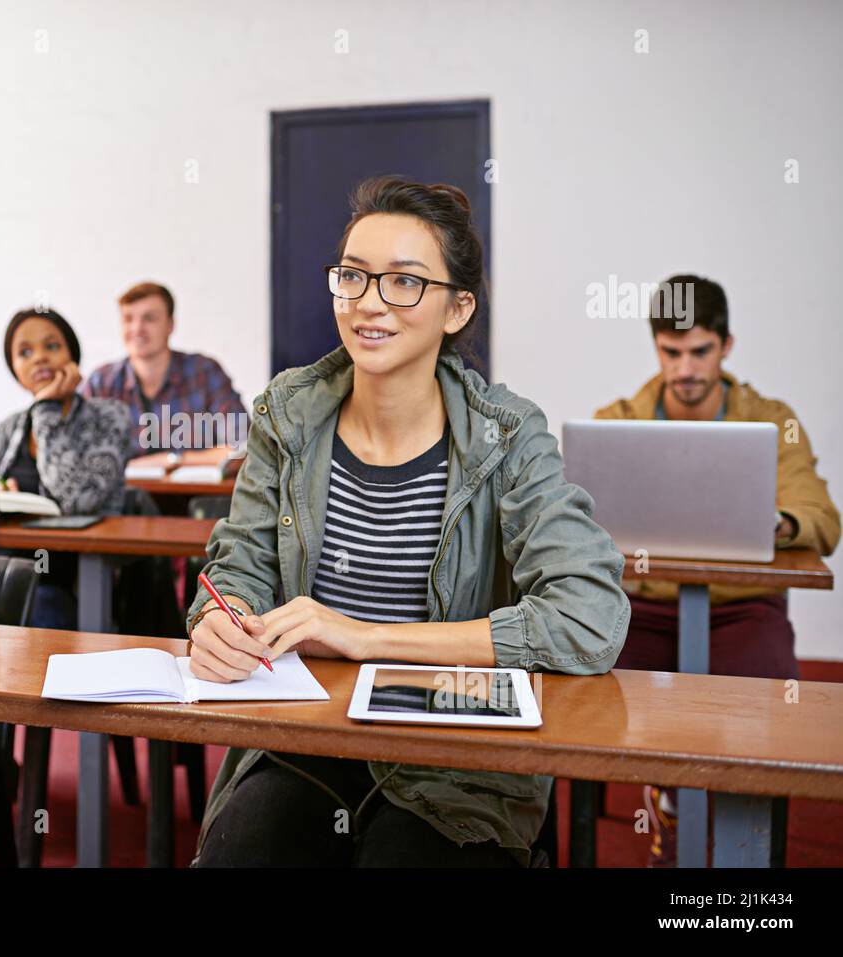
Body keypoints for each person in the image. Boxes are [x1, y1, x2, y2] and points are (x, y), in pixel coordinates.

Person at [186, 175, 629, 867]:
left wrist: (366, 637)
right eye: (354, 277)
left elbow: (589, 618)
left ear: (457, 308)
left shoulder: (507, 435)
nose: (368, 303)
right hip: (307, 736)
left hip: (456, 757)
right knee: (243, 850)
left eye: (404, 283)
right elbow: (237, 563)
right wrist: (220, 617)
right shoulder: (287, 413)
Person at [594, 274, 839, 865]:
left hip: (741, 610)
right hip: (641, 610)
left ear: (726, 346)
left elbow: (821, 518)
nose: (685, 369)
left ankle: (736, 854)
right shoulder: (617, 420)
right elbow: (578, 519)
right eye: (671, 352)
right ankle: (664, 807)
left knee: (766, 710)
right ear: (656, 347)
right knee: (582, 698)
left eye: (700, 351)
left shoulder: (771, 419)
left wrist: (774, 521)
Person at [0, 307, 130, 628]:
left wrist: (47, 409)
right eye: (25, 352)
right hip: (6, 567)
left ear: (72, 356)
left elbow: (74, 499)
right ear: (14, 367)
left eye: (51, 346)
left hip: (74, 575)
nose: (39, 358)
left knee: (40, 606)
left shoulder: (109, 417)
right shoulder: (6, 431)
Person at [81, 280, 248, 467]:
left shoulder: (204, 373)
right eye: (128, 319)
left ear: (170, 325)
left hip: (197, 493)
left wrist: (171, 460)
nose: (137, 328)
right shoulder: (101, 382)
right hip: (125, 494)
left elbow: (241, 449)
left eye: (149, 318)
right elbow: (75, 452)